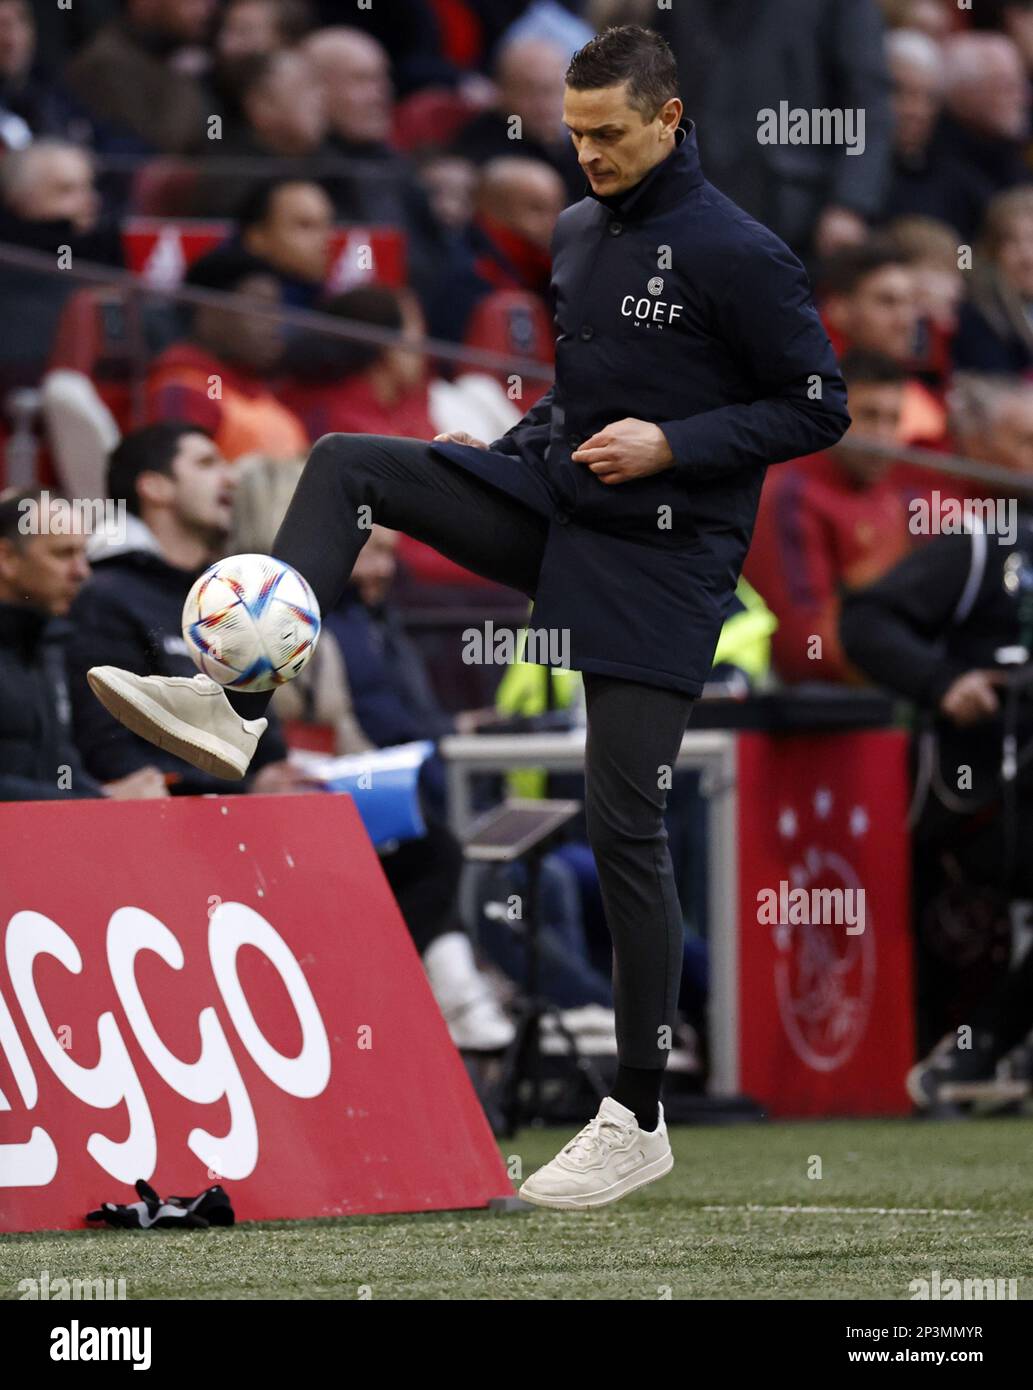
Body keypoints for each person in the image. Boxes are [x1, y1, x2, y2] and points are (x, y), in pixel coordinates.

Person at [86, 25, 850, 1209]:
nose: (585, 154)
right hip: (556, 497)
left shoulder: (739, 250)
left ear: (668, 116)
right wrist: (492, 458)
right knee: (347, 461)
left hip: (664, 556)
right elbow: (582, 398)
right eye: (573, 131)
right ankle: (236, 704)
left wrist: (675, 444)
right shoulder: (579, 230)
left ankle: (636, 1113)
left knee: (625, 827)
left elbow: (816, 404)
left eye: (606, 134)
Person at [66, 424, 302, 797]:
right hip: (164, 829)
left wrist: (275, 775)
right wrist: (246, 788)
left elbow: (263, 736)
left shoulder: (230, 600)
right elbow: (114, 751)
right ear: (155, 487)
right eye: (207, 463)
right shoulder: (105, 597)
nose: (230, 479)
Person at [744, 349, 911, 685]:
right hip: (815, 715)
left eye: (893, 419)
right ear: (831, 410)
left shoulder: (892, 493)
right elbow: (804, 651)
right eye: (869, 416)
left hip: (883, 693)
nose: (883, 437)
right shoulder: (791, 495)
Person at [0, 487, 166, 803]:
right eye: (63, 554)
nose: (82, 572)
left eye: (83, 554)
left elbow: (60, 771)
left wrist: (103, 794)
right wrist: (101, 800)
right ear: (6, 558)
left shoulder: (49, 645)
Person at [145, 246, 309, 461]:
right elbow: (183, 488)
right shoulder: (185, 390)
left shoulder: (257, 393)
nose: (275, 323)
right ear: (208, 311)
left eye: (276, 309)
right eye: (261, 308)